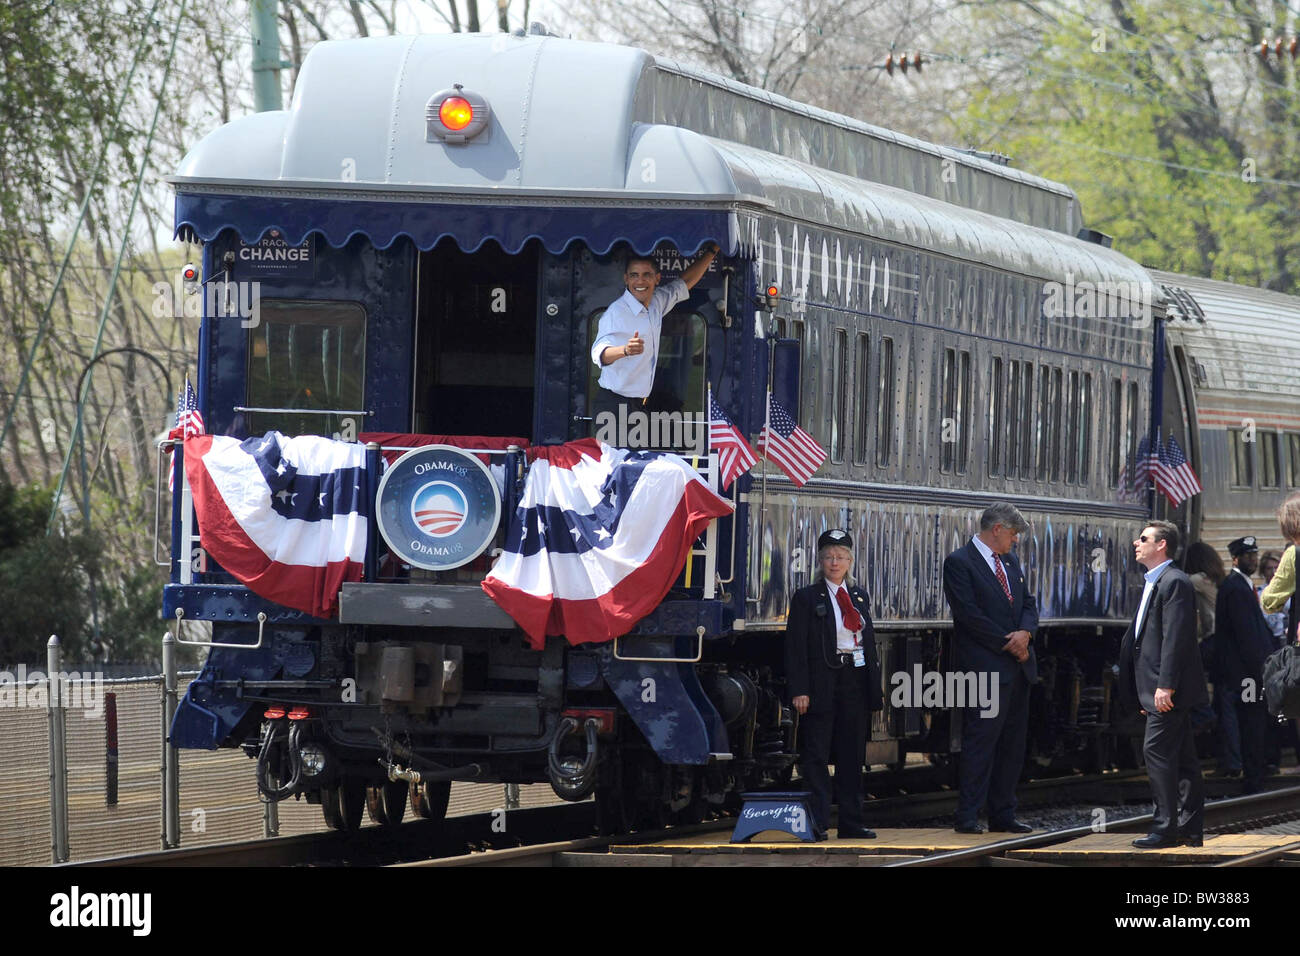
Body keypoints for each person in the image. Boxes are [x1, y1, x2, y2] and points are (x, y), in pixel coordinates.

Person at [941, 502, 1038, 835]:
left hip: (1018, 668)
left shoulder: (1010, 562)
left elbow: (1028, 603)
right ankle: (967, 815)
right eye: (1012, 534)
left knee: (1013, 745)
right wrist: (1008, 642)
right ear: (996, 529)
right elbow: (968, 615)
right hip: (984, 668)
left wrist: (1026, 634)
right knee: (980, 742)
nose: (1015, 541)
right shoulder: (959, 562)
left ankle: (1003, 813)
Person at [785, 529, 883, 840]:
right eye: (828, 556)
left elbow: (868, 643)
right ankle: (816, 823)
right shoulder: (806, 597)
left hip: (853, 679)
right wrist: (800, 689)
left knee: (852, 754)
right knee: (816, 755)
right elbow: (796, 648)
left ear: (850, 561)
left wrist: (873, 690)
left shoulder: (858, 596)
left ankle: (852, 823)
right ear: (820, 560)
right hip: (821, 682)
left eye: (840, 556)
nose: (834, 562)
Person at [1118, 521, 1208, 848]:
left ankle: (1165, 828)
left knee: (1155, 751)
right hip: (1155, 687)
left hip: (1166, 690)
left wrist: (1164, 685)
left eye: (1144, 539)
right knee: (1182, 759)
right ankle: (1188, 828)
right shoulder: (1155, 582)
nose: (1135, 543)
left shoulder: (1175, 582)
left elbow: (1176, 639)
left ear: (1162, 545)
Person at [589, 243, 720, 421]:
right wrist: (625, 350)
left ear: (657, 278)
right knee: (622, 451)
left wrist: (712, 252)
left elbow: (684, 283)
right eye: (634, 275)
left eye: (646, 275)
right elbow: (599, 354)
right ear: (626, 279)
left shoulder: (656, 302)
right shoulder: (616, 313)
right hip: (614, 406)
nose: (640, 281)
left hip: (637, 406)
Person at [1215, 536, 1277, 792]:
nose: (1253, 559)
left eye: (1255, 554)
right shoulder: (1235, 588)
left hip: (1250, 671)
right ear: (1236, 558)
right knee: (1252, 721)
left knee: (1255, 720)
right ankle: (1253, 774)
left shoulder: (1243, 586)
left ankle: (1256, 770)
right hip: (1247, 675)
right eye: (1248, 555)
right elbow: (1246, 635)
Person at [1183, 540, 1237, 775]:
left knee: (1184, 668)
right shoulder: (1218, 580)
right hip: (1221, 643)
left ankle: (1202, 713)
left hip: (1213, 641)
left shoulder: (1198, 580)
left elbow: (1175, 583)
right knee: (1223, 704)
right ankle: (1227, 759)